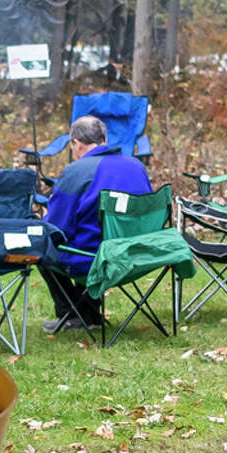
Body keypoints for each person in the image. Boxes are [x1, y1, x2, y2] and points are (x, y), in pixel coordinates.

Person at [38, 115, 153, 332]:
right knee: (93, 237)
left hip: (97, 261)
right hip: (136, 255)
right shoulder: (136, 166)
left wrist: (44, 216)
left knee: (43, 246)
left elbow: (57, 227)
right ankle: (87, 314)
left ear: (77, 143)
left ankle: (71, 314)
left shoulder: (76, 172)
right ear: (104, 140)